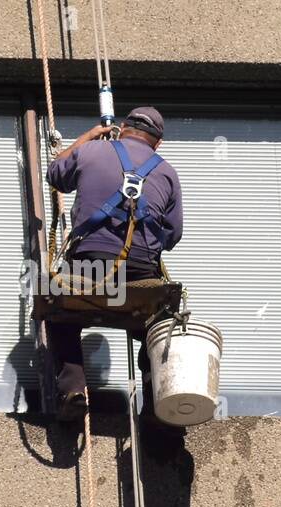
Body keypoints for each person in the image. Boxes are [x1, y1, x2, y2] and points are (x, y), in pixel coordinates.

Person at [45, 107, 184, 425]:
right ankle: (156, 407)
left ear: (121, 129)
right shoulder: (166, 172)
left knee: (59, 315)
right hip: (141, 272)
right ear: (157, 143)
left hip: (89, 268)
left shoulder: (92, 150)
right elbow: (173, 235)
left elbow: (56, 174)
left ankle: (73, 390)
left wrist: (89, 137)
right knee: (156, 331)